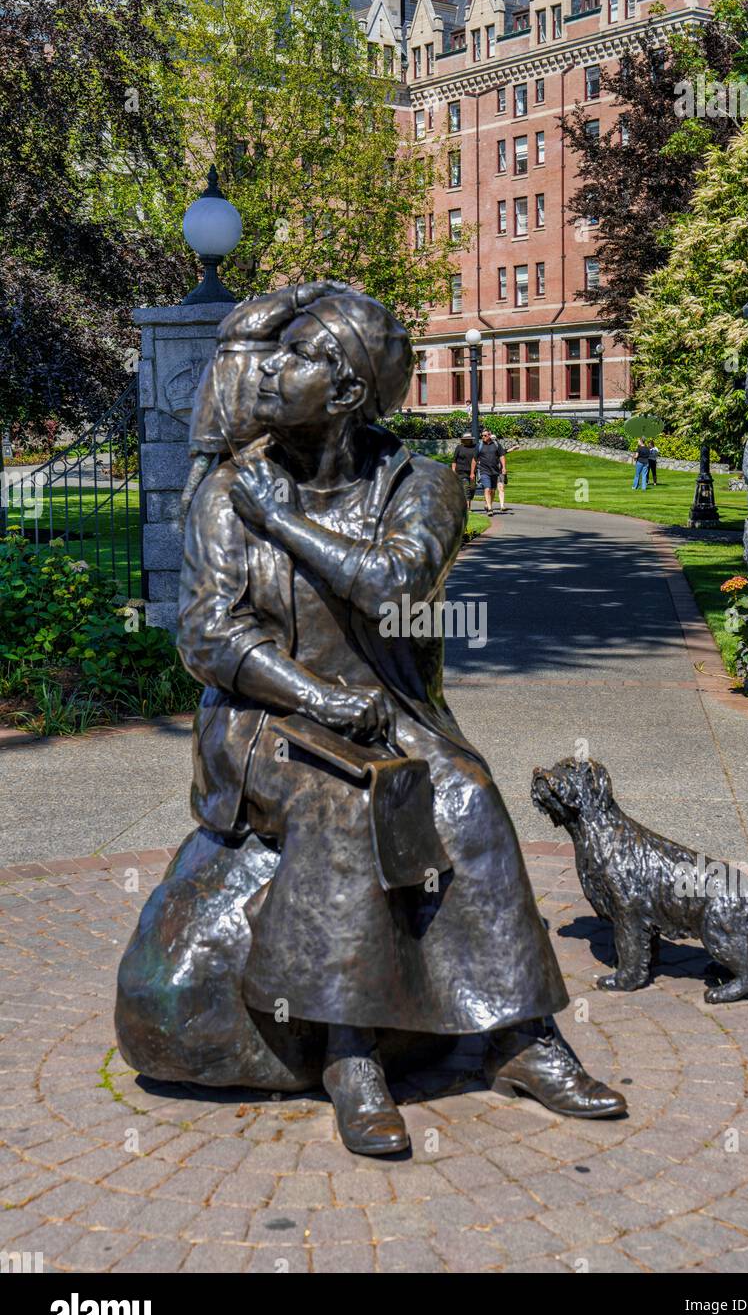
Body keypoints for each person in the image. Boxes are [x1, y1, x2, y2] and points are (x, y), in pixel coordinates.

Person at [120, 282, 626, 1159]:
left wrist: (283, 523)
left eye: (302, 356)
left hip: (391, 715)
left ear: (350, 389)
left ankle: (522, 1037)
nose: (274, 372)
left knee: (466, 795)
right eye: (275, 356)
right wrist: (315, 697)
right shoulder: (230, 490)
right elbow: (210, 636)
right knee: (341, 803)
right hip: (263, 721)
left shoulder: (419, 485)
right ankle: (350, 1055)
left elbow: (397, 584)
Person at [477, 428, 506, 514]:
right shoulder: (479, 445)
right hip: (484, 471)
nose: (483, 437)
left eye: (485, 435)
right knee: (487, 489)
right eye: (482, 435)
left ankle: (488, 504)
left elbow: (502, 456)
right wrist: (473, 471)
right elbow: (474, 458)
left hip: (495, 471)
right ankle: (490, 509)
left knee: (493, 490)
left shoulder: (496, 445)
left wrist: (504, 467)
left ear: (489, 435)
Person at [451, 433, 476, 509]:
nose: (467, 440)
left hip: (472, 472)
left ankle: (466, 503)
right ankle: (467, 507)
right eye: (466, 439)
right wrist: (453, 471)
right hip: (461, 471)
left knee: (472, 489)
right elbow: (454, 460)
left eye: (469, 439)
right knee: (466, 488)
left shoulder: (475, 447)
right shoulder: (459, 447)